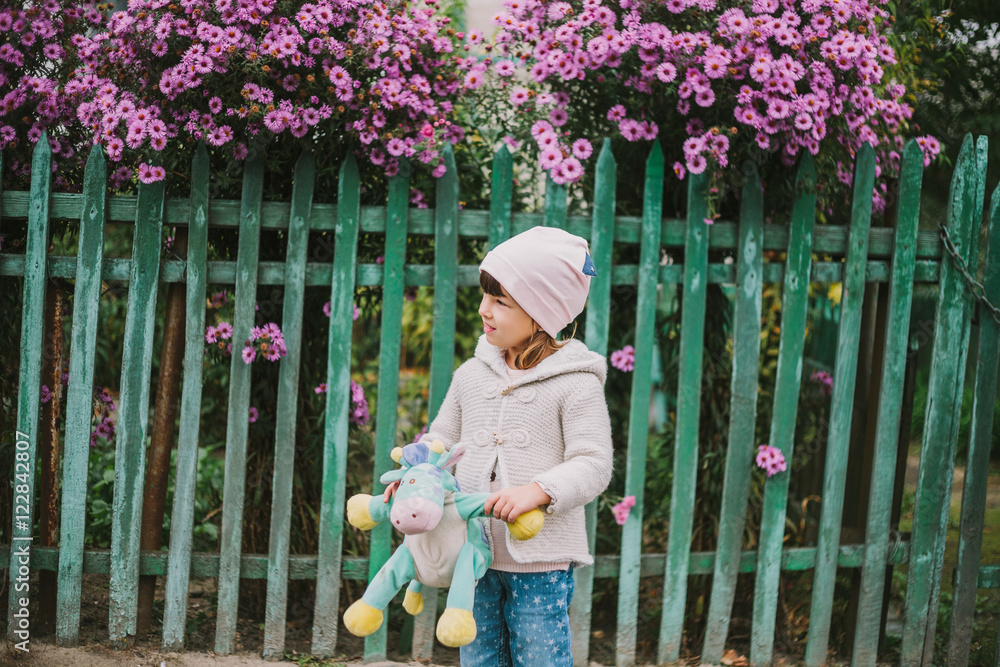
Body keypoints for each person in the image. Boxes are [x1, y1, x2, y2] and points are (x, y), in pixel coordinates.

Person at [419, 225, 613, 666]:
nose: (484, 309)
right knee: (480, 657)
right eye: (485, 296)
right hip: (475, 555)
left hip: (540, 565)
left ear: (542, 314)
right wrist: (418, 479)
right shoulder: (472, 374)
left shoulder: (576, 384)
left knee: (539, 658)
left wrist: (538, 491)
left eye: (500, 301)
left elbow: (594, 462)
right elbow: (441, 440)